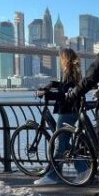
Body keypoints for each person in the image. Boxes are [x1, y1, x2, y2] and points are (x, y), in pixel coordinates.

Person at [34, 48, 83, 186]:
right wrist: (51, 84)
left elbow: (64, 95)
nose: (60, 60)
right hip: (71, 111)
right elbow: (64, 87)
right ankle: (84, 169)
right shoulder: (72, 72)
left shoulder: (69, 73)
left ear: (65, 59)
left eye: (61, 58)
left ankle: (52, 176)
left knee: (59, 144)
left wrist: (46, 94)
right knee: (64, 144)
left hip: (67, 111)